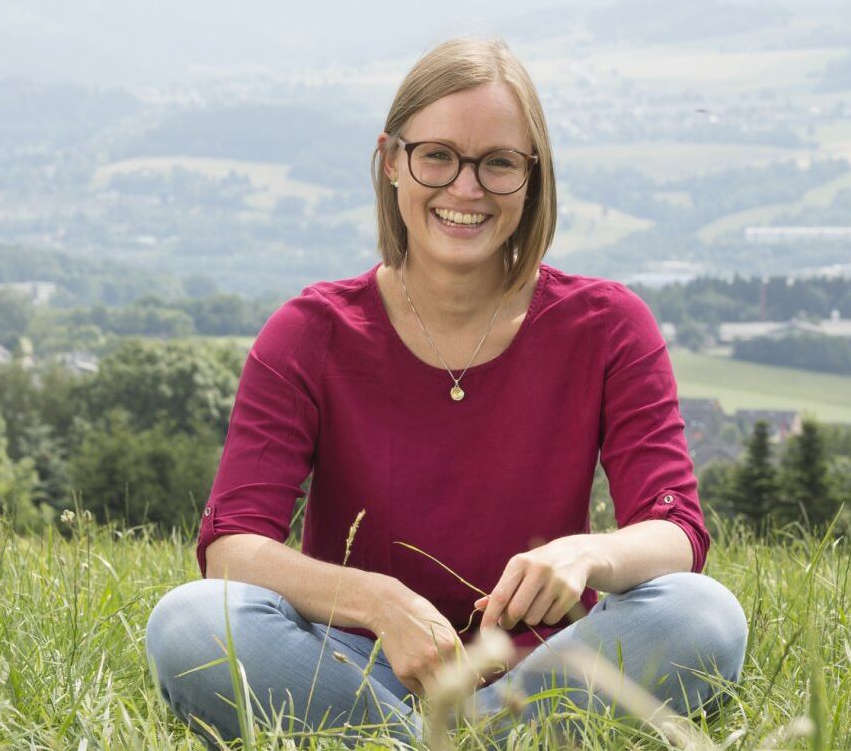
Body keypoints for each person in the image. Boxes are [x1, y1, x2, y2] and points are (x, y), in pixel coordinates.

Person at [145, 37, 747, 747]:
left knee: (705, 615)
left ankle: (438, 739)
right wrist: (377, 602)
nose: (466, 189)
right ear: (391, 161)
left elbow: (676, 532)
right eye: (437, 156)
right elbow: (231, 548)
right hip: (353, 668)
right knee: (187, 625)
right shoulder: (310, 332)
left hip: (545, 671)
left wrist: (585, 555)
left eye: (499, 163)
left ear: (533, 177)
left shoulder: (608, 325)